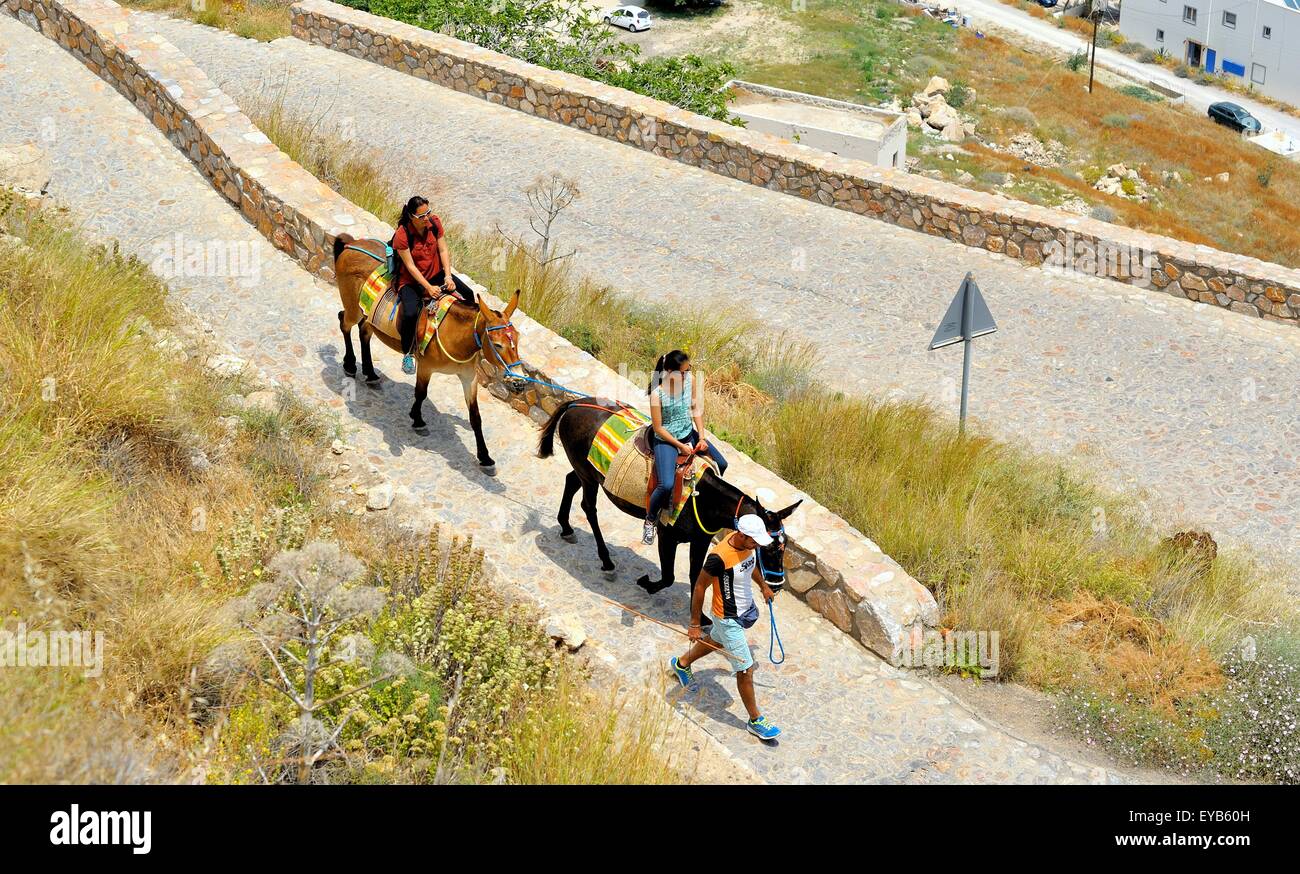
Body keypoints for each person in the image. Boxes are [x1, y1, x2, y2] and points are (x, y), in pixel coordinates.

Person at [669, 514, 781, 741]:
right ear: (741, 534)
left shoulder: (746, 544)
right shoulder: (719, 557)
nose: (757, 545)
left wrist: (763, 587)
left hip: (742, 611)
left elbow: (750, 565)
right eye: (754, 541)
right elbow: (700, 587)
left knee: (716, 642)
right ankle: (755, 720)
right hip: (727, 618)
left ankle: (681, 664)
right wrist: (694, 624)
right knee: (745, 669)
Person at [643, 350, 727, 545]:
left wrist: (702, 437)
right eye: (682, 372)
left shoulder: (690, 380)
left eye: (688, 370)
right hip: (667, 440)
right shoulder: (658, 394)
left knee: (722, 463)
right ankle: (650, 520)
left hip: (689, 433)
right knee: (667, 485)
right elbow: (658, 428)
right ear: (669, 371)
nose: (686, 375)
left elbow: (696, 409)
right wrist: (680, 446)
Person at [392, 196, 476, 375]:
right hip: (412, 281)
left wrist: (448, 276)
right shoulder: (402, 234)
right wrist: (428, 288)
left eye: (428, 213)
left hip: (436, 273)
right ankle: (408, 352)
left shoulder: (434, 224)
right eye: (422, 216)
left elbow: (443, 250)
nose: (426, 218)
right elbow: (410, 267)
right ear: (412, 217)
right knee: (410, 313)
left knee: (469, 294)